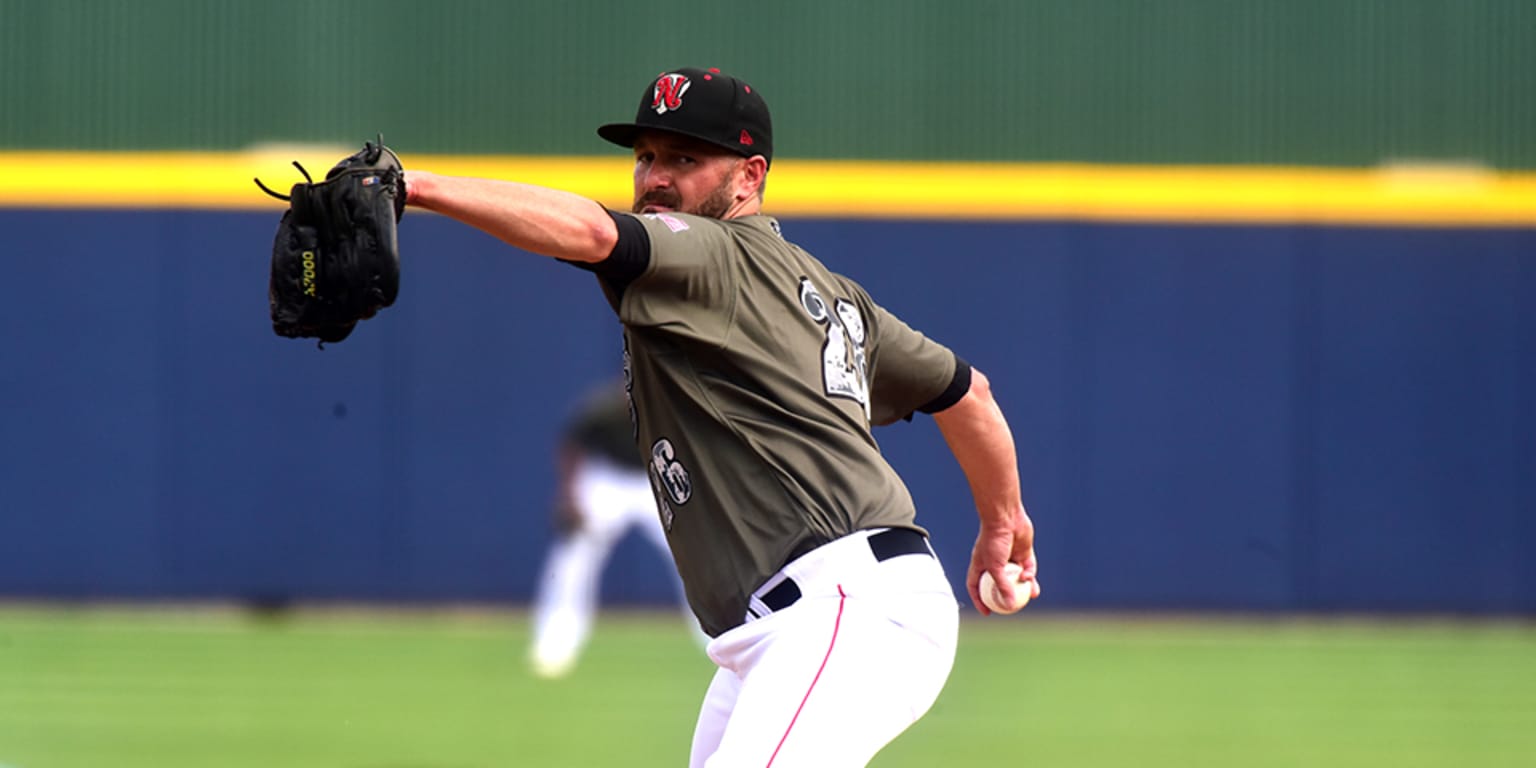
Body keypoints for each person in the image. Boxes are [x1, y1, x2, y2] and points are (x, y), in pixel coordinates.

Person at [403, 66, 1039, 768]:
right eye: (645, 157)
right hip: (789, 627)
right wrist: (1002, 522)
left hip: (841, 608)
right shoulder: (833, 294)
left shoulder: (710, 252)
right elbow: (968, 393)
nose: (655, 178)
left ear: (749, 175)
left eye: (685, 158)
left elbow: (588, 231)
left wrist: (416, 187)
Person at [529, 377, 704, 679]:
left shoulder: (668, 407)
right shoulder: (605, 409)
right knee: (575, 554)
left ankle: (715, 639)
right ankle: (556, 642)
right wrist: (570, 495)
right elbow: (572, 444)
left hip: (655, 480)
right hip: (608, 479)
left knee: (694, 556)